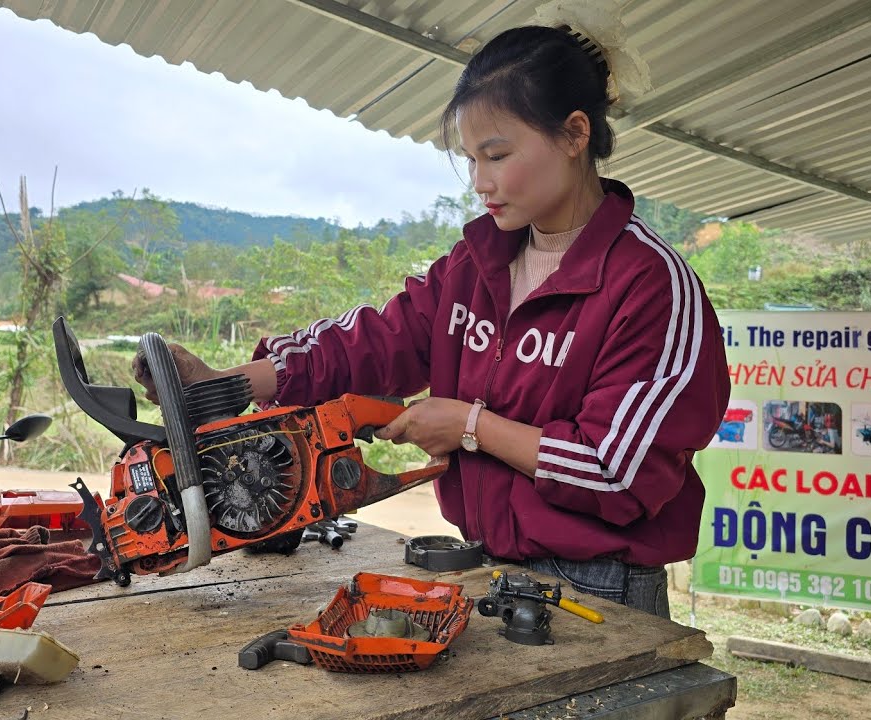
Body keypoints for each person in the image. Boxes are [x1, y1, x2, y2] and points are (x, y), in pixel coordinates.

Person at [134, 22, 730, 619]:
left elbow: (617, 472)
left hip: (601, 586)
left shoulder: (648, 286)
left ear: (575, 134)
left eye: (497, 156)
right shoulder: (477, 264)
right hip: (493, 565)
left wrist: (472, 426)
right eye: (471, 159)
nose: (480, 182)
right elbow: (374, 343)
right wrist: (226, 385)